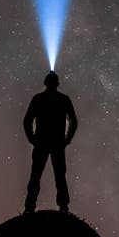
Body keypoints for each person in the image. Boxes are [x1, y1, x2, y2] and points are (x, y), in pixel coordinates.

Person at [23, 70, 78, 214]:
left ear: (45, 83)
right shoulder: (64, 99)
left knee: (37, 176)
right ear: (57, 83)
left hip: (42, 143)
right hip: (56, 144)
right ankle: (63, 206)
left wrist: (32, 138)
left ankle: (30, 207)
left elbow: (27, 120)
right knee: (58, 176)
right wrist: (67, 139)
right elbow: (73, 121)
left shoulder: (38, 98)